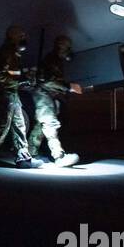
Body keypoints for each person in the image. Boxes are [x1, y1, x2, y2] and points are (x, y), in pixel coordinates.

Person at [0, 26, 37, 169]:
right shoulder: (6, 52)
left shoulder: (15, 54)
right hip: (5, 95)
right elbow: (0, 75)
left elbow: (13, 74)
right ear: (12, 36)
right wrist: (19, 80)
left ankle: (23, 158)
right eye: (21, 35)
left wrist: (23, 80)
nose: (24, 38)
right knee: (1, 126)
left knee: (20, 125)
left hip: (13, 94)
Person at [27, 35, 82, 167]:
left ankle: (30, 153)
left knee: (41, 125)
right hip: (43, 94)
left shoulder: (55, 60)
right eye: (66, 47)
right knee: (50, 124)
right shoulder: (52, 60)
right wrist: (69, 87)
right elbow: (48, 81)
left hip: (47, 95)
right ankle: (59, 156)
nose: (68, 50)